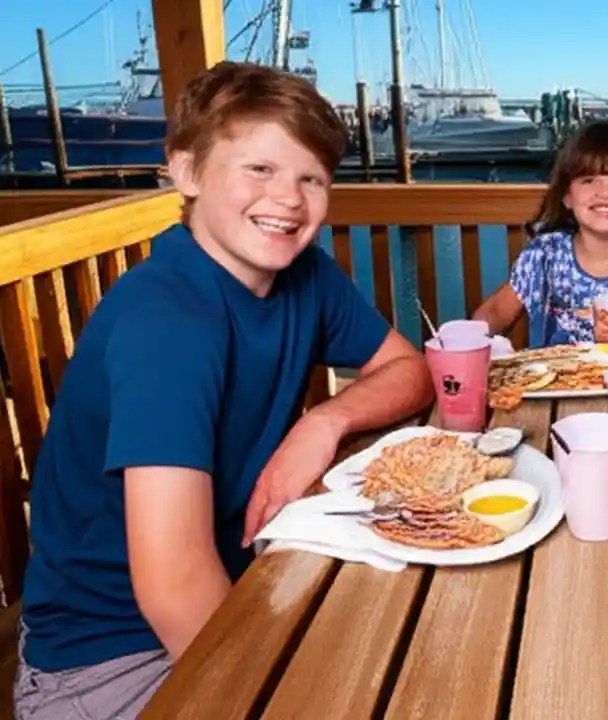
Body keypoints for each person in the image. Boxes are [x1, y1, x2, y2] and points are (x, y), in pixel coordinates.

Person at [15, 61, 435, 719]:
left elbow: (410, 370)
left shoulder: (307, 276)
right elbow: (176, 587)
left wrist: (321, 424)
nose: (289, 199)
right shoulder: (168, 325)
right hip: (108, 662)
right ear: (186, 172)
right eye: (259, 170)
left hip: (236, 587)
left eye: (311, 179)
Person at [472, 120, 608, 348]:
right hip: (554, 382)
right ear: (567, 196)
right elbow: (495, 313)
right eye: (588, 180)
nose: (605, 193)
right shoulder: (545, 256)